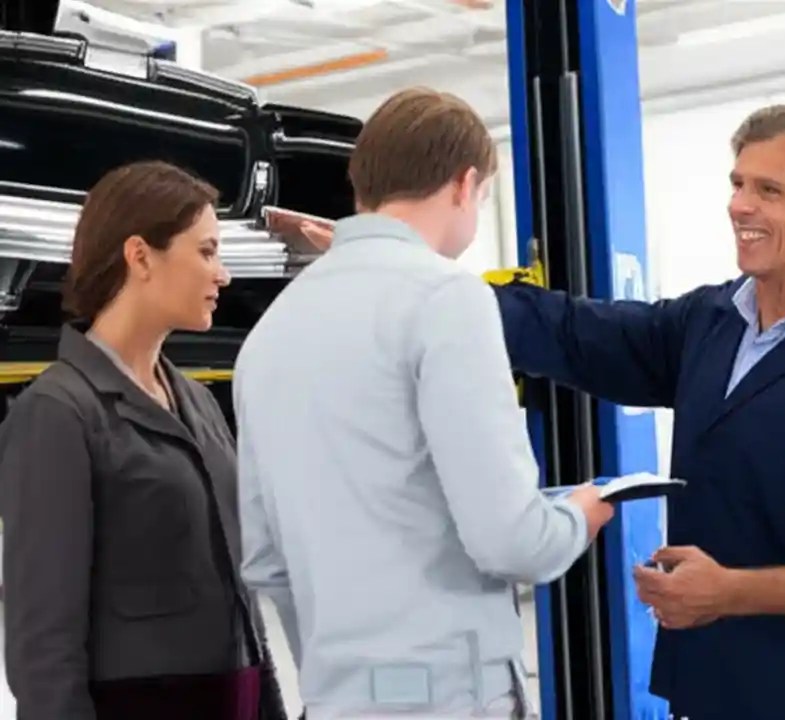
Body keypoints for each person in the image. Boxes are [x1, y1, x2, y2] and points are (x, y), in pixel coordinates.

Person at [490, 105, 785, 719]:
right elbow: (583, 333)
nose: (741, 205)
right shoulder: (712, 323)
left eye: (769, 190)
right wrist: (440, 294)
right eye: (738, 184)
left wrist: (730, 591)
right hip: (711, 690)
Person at [232, 87, 615, 720]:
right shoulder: (447, 300)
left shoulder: (269, 334)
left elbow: (265, 560)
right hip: (452, 697)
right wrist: (579, 515)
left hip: (334, 700)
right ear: (466, 186)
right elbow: (509, 539)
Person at [0, 160, 290, 720]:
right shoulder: (57, 414)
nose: (223, 274)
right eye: (206, 251)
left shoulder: (198, 403)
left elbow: (240, 600)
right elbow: (43, 650)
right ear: (140, 256)